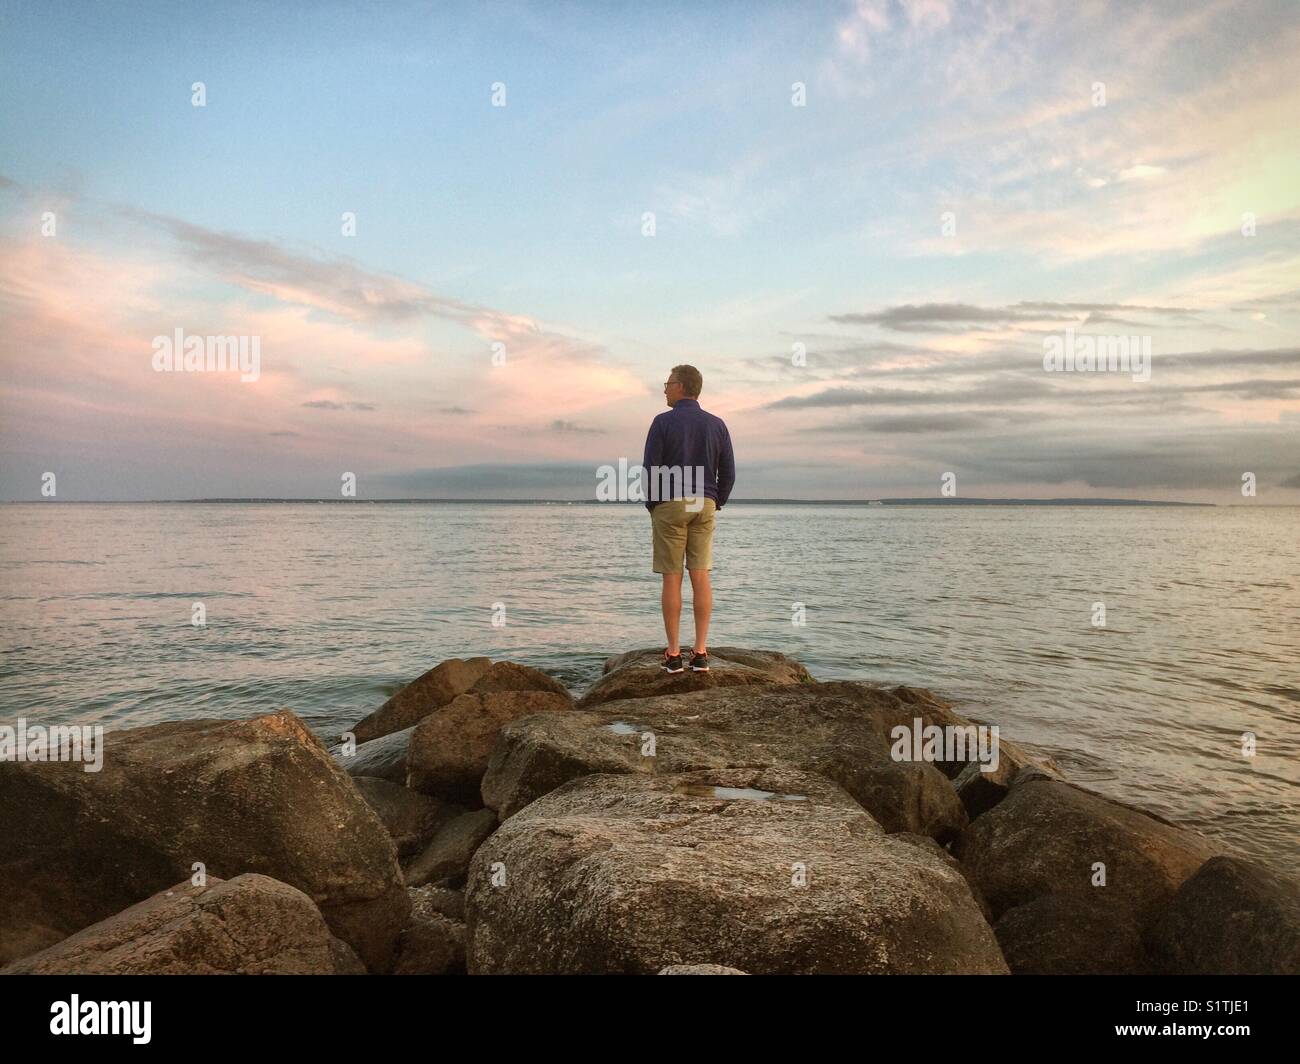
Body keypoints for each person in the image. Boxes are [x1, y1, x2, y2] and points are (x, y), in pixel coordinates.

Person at [641, 364, 735, 674]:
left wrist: (654, 503)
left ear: (681, 386)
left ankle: (673, 654)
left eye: (667, 384)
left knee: (672, 577)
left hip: (671, 502)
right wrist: (716, 500)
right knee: (700, 574)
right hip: (704, 502)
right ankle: (700, 652)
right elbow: (728, 473)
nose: (665, 389)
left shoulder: (662, 422)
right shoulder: (717, 425)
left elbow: (651, 469)